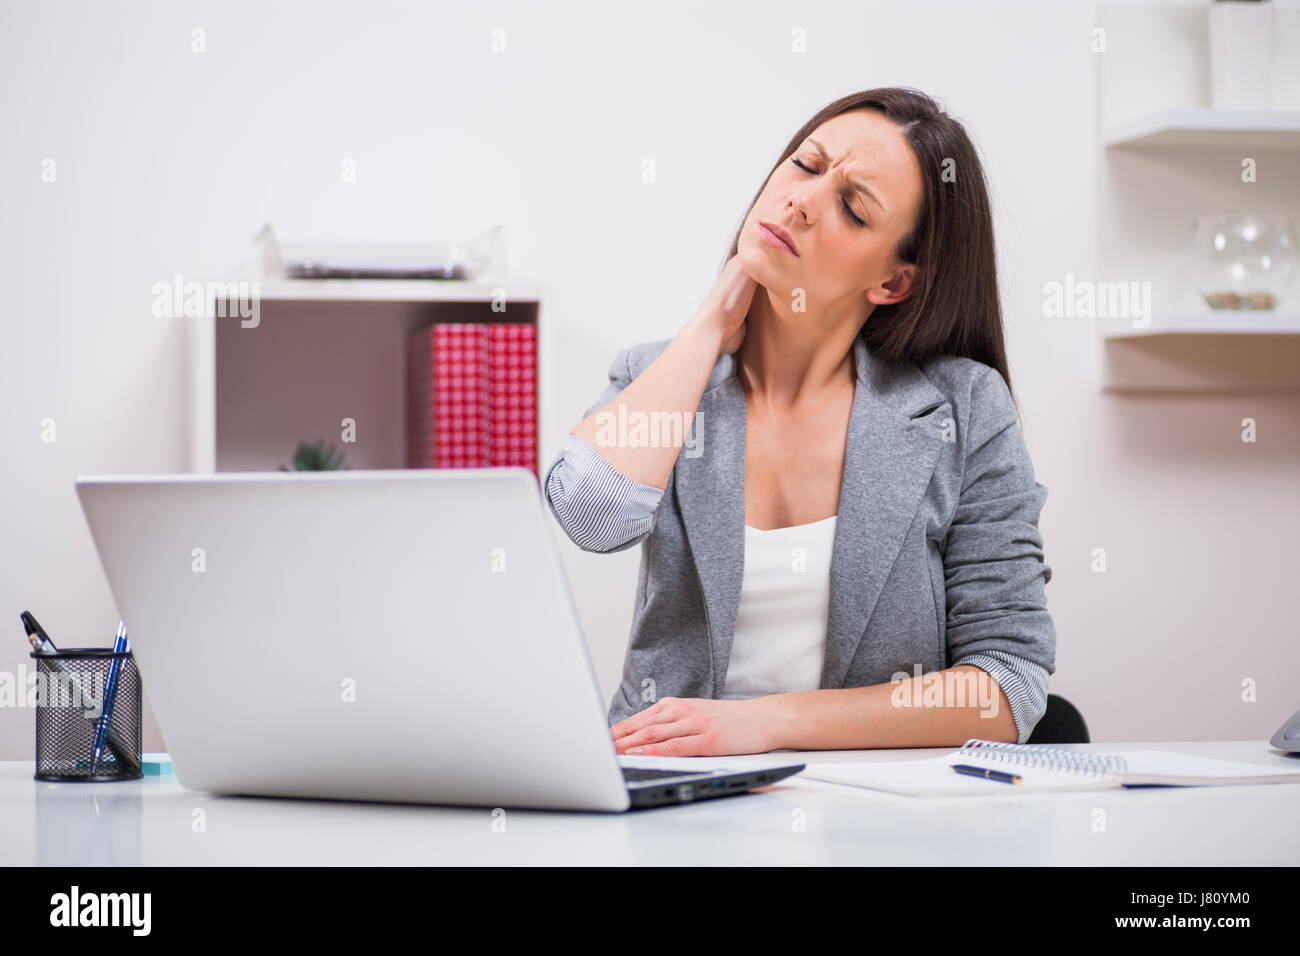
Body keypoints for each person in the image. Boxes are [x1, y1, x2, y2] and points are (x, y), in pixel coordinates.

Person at [545, 87, 1056, 756]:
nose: (803, 203)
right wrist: (708, 324)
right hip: (672, 802)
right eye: (807, 165)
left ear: (894, 282)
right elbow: (589, 514)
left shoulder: (962, 408)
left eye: (851, 207)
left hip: (874, 813)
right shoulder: (662, 377)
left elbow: (1007, 683)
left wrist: (767, 723)